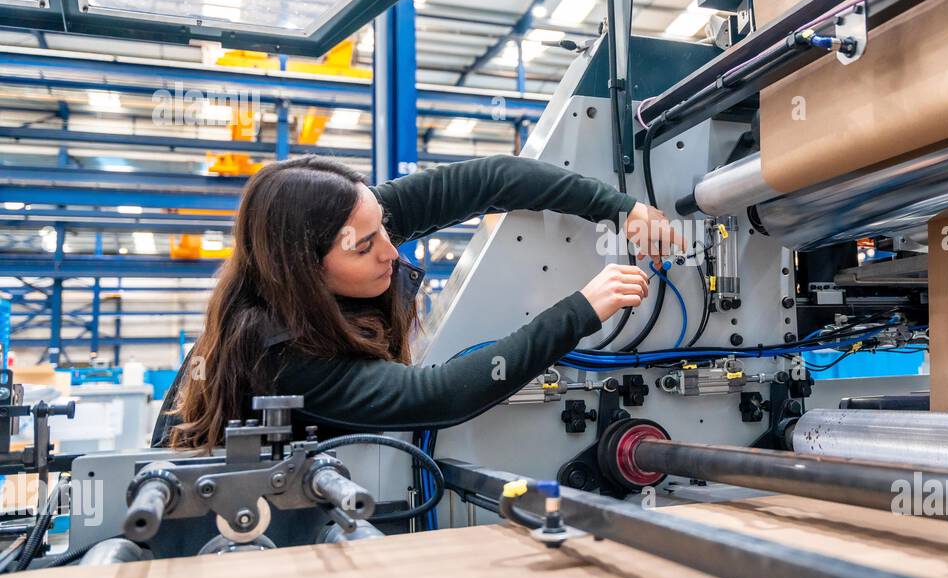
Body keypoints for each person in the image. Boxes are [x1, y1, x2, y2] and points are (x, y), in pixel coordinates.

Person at [153, 154, 684, 452]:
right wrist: (581, 309)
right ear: (304, 272)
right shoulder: (278, 354)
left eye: (383, 225)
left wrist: (620, 207)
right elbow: (439, 395)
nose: (391, 250)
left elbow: (492, 179)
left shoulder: (354, 218)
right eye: (365, 246)